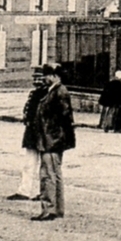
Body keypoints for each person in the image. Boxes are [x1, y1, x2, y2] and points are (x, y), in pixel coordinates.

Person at [29, 65, 75, 221]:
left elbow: (66, 118)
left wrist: (55, 138)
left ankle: (49, 209)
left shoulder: (59, 92)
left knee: (48, 175)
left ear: (55, 76)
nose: (44, 78)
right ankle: (57, 208)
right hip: (51, 139)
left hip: (51, 140)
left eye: (47, 75)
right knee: (55, 174)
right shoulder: (54, 91)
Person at [9, 68, 47, 201]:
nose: (37, 81)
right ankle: (24, 191)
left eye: (40, 78)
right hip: (32, 133)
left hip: (43, 134)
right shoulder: (34, 93)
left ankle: (45, 192)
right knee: (29, 164)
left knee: (45, 165)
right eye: (35, 78)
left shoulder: (48, 94)